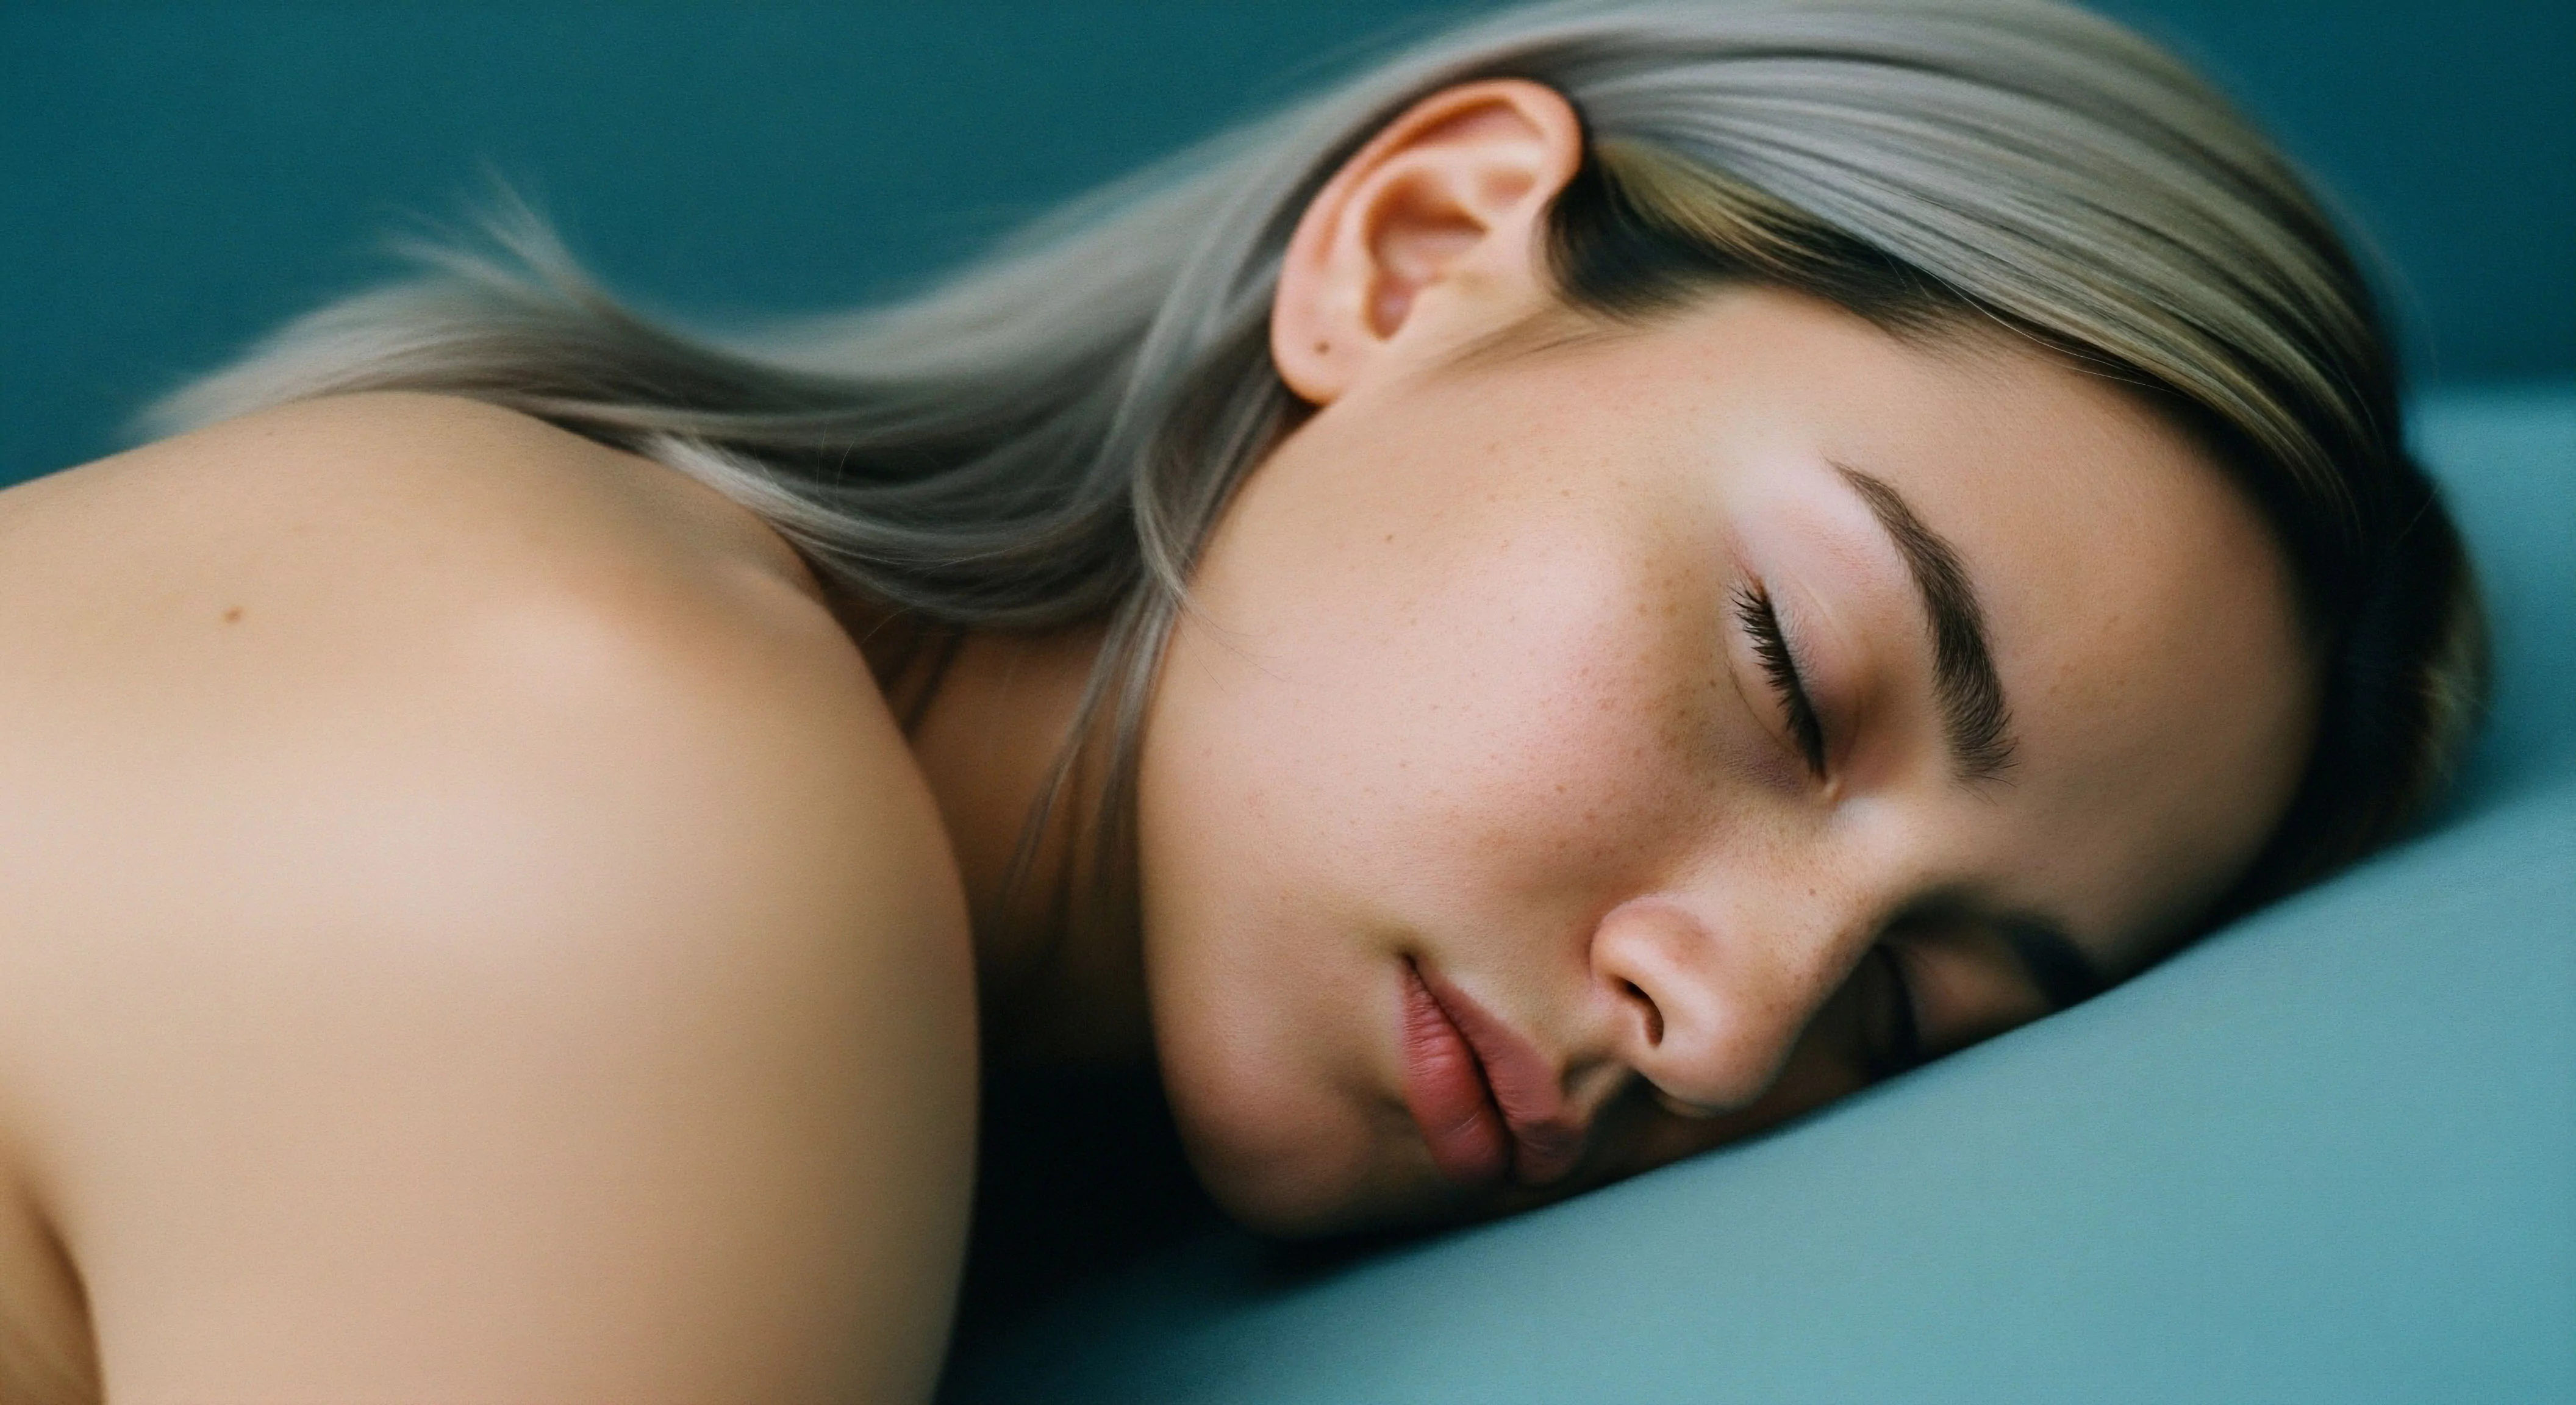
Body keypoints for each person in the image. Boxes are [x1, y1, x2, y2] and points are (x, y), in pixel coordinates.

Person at [0, 0, 2485, 1399]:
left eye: (1908, 1012)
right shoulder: (616, 785)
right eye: (1792, 675)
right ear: (1416, 258)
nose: (1728, 1031)